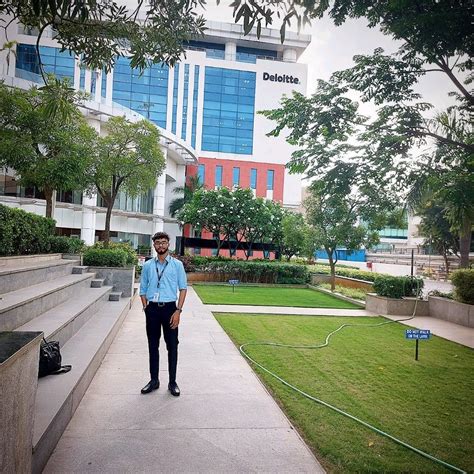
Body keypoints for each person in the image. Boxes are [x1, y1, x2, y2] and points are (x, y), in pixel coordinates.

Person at [139, 231, 187, 396]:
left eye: (163, 242)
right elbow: (143, 289)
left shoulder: (177, 265)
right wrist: (146, 308)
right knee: (153, 346)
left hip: (170, 309)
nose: (161, 245)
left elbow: (183, 289)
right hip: (152, 309)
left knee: (172, 346)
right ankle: (154, 380)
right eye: (158, 242)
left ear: (168, 244)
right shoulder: (147, 265)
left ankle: (172, 382)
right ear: (154, 245)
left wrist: (178, 311)